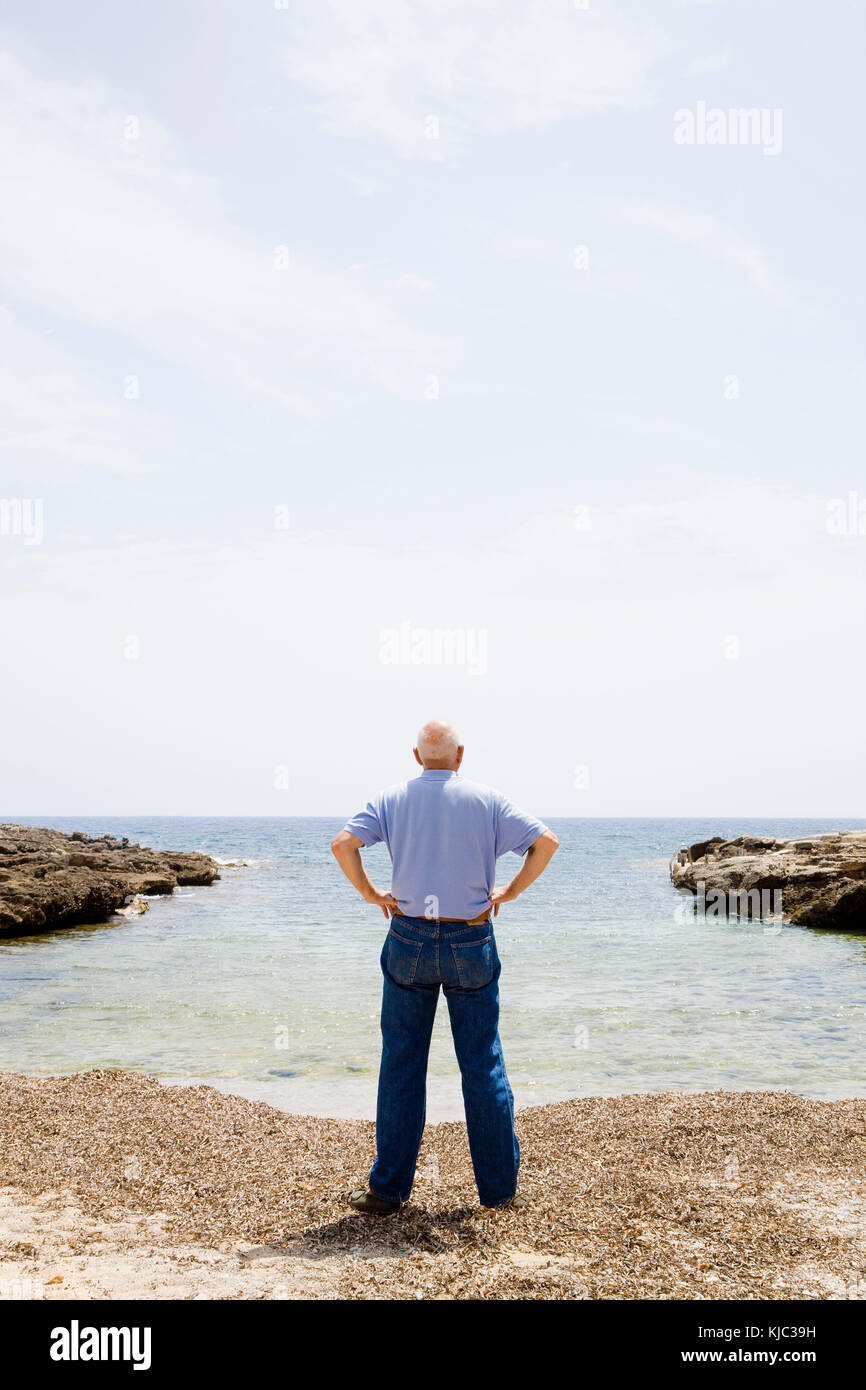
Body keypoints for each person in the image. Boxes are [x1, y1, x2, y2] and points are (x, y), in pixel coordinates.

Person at [331, 719, 559, 1213]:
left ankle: (388, 1191)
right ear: (460, 756)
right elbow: (547, 843)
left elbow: (342, 845)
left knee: (401, 1064)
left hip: (409, 934)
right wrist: (510, 891)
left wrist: (372, 895)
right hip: (470, 936)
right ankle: (498, 1193)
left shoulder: (391, 798)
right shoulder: (487, 799)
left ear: (417, 757)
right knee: (481, 1064)